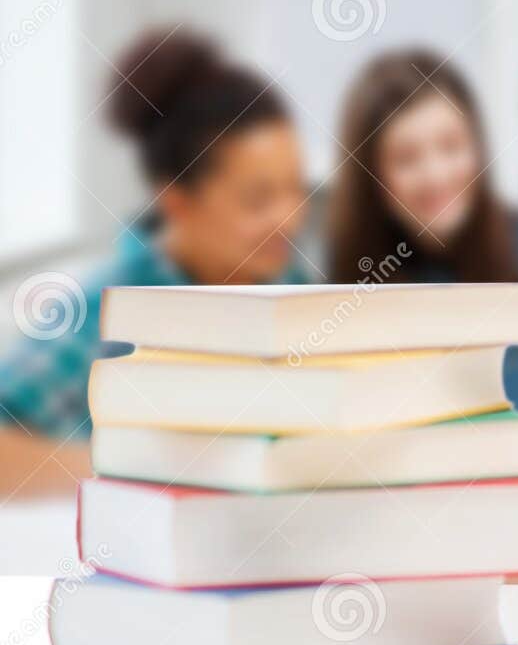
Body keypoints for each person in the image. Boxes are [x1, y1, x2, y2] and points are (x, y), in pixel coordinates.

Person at [0, 29, 308, 497]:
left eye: (294, 188)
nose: (288, 218)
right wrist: (129, 467)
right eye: (257, 199)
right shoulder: (109, 309)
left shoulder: (290, 278)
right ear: (176, 200)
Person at [326, 49, 518, 409]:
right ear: (371, 178)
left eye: (451, 146)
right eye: (406, 158)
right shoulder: (342, 296)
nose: (436, 175)